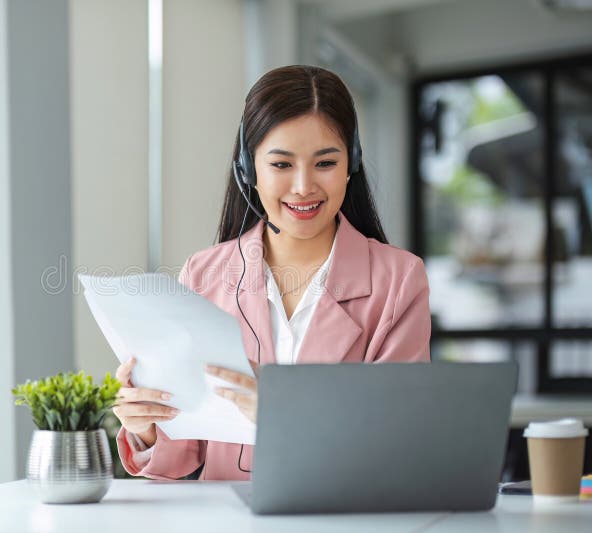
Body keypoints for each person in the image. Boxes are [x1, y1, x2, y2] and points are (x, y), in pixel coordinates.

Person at [111, 65, 431, 481]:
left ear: (351, 163)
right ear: (249, 170)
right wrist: (146, 427)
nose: (303, 186)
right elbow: (182, 456)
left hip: (341, 509)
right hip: (224, 513)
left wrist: (285, 411)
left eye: (325, 162)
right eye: (281, 164)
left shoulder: (398, 279)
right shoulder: (203, 273)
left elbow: (399, 440)